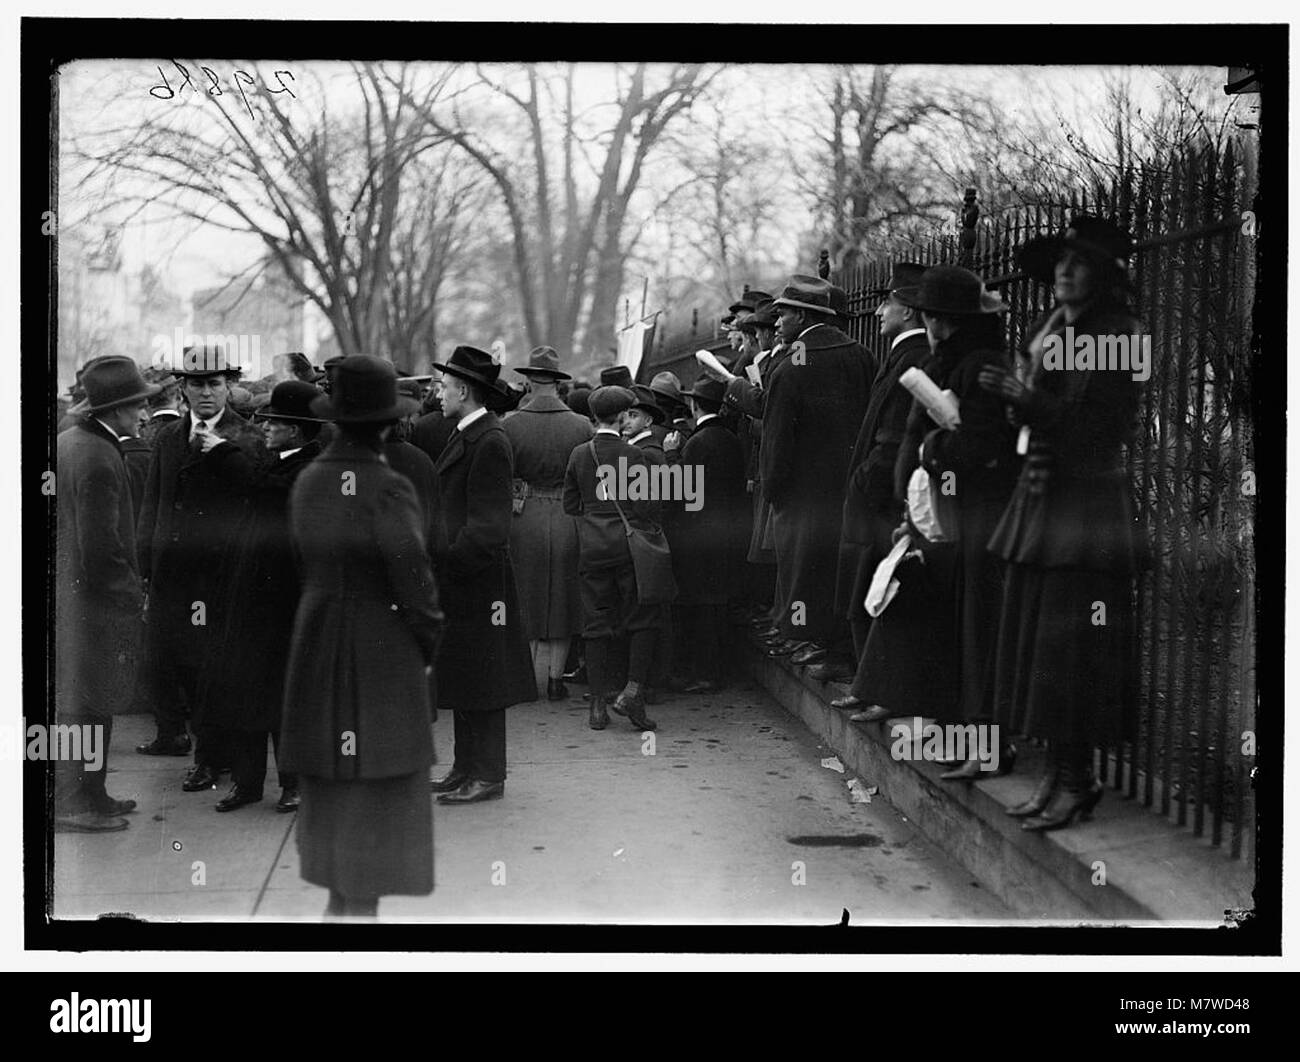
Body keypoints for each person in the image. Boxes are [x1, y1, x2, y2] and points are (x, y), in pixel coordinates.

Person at [981, 216, 1145, 830]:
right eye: (1059, 263)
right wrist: (1013, 400)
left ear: (1103, 273)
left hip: (1086, 509)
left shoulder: (1121, 335)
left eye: (1077, 263)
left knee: (1074, 648)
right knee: (1039, 647)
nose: (1064, 272)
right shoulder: (1053, 328)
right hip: (1043, 501)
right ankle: (1056, 774)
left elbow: (1097, 431)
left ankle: (1078, 779)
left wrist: (1025, 400)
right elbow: (1039, 408)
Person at [279, 356, 444, 919]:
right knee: (376, 798)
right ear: (384, 424)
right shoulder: (387, 486)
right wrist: (426, 645)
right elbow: (415, 580)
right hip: (381, 648)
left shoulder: (308, 480)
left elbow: (303, 563)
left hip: (317, 641)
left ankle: (336, 916)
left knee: (332, 792)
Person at [849, 266, 1018, 780]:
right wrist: (910, 513)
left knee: (978, 629)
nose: (935, 325)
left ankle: (987, 742)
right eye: (931, 316)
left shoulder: (984, 366)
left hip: (978, 516)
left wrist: (929, 449)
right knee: (948, 628)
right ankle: (956, 730)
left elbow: (981, 445)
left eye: (943, 318)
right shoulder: (942, 361)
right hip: (941, 517)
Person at [193, 380, 325, 813]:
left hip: (284, 602)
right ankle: (248, 784)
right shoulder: (281, 460)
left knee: (282, 700)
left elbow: (260, 486)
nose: (265, 428)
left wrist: (220, 449)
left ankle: (293, 785)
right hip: (253, 599)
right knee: (246, 692)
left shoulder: (309, 467)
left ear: (298, 429)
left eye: (276, 423)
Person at [134, 346, 264, 787]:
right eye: (196, 384)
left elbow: (254, 506)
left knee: (214, 666)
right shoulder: (168, 438)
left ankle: (212, 757)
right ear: (183, 388)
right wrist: (146, 568)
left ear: (229, 386)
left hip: (220, 576)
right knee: (175, 662)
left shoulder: (247, 437)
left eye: (213, 383)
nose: (204, 393)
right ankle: (205, 748)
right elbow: (153, 503)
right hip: (172, 573)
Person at [55, 357, 160, 832]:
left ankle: (91, 795)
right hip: (95, 603)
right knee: (89, 703)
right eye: (138, 405)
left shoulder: (73, 441)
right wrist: (130, 594)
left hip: (74, 600)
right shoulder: (99, 455)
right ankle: (74, 803)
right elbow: (101, 547)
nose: (143, 413)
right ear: (116, 409)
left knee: (85, 701)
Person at [428, 346, 536, 804]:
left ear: (465, 390)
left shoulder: (489, 440)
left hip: (478, 580)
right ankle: (465, 766)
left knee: (484, 680)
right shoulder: (470, 432)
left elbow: (489, 526)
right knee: (468, 676)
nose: (438, 393)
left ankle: (487, 773)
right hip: (467, 579)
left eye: (444, 386)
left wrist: (449, 565)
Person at [759, 275, 873, 670]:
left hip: (800, 491)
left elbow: (777, 439)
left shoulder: (791, 365)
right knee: (833, 567)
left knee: (800, 569)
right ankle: (824, 638)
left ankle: (802, 634)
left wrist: (772, 488)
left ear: (804, 316)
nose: (776, 322)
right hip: (849, 486)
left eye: (783, 313)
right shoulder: (860, 355)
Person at [830, 263, 929, 692]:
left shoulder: (914, 358)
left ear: (907, 310)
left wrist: (863, 483)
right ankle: (868, 685)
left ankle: (876, 688)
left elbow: (893, 436)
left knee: (875, 590)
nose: (876, 312)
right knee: (864, 589)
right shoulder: (902, 355)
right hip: (876, 496)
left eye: (885, 303)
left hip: (882, 501)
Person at [563, 386, 660, 731]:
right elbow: (647, 507)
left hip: (592, 548)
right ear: (622, 417)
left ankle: (597, 707)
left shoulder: (579, 454)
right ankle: (632, 691)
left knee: (595, 624)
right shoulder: (635, 456)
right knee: (640, 618)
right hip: (627, 548)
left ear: (594, 416)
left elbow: (570, 505)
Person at [502, 346, 593, 700]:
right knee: (564, 598)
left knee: (526, 595)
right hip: (569, 516)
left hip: (523, 516)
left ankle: (526, 681)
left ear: (527, 381)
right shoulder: (581, 425)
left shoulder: (510, 426)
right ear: (557, 382)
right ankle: (556, 681)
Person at [663, 376, 747, 693]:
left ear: (695, 405)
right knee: (717, 602)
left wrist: (672, 454)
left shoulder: (697, 443)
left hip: (698, 537)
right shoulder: (730, 439)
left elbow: (679, 489)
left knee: (699, 605)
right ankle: (715, 670)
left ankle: (704, 673)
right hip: (727, 533)